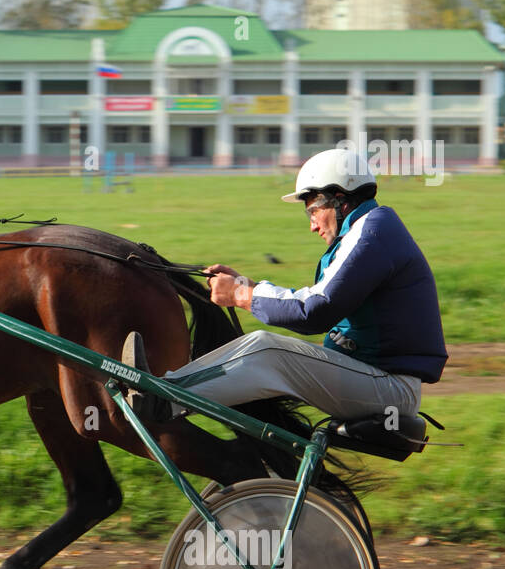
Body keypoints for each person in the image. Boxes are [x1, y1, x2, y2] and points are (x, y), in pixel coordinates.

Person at [123, 147, 447, 430]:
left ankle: (162, 400)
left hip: (390, 390)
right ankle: (166, 390)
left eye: (312, 210)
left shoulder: (373, 231)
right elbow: (315, 300)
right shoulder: (371, 229)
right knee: (259, 348)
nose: (312, 225)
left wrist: (240, 294)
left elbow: (314, 311)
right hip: (377, 379)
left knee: (269, 351)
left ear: (339, 197)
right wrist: (247, 287)